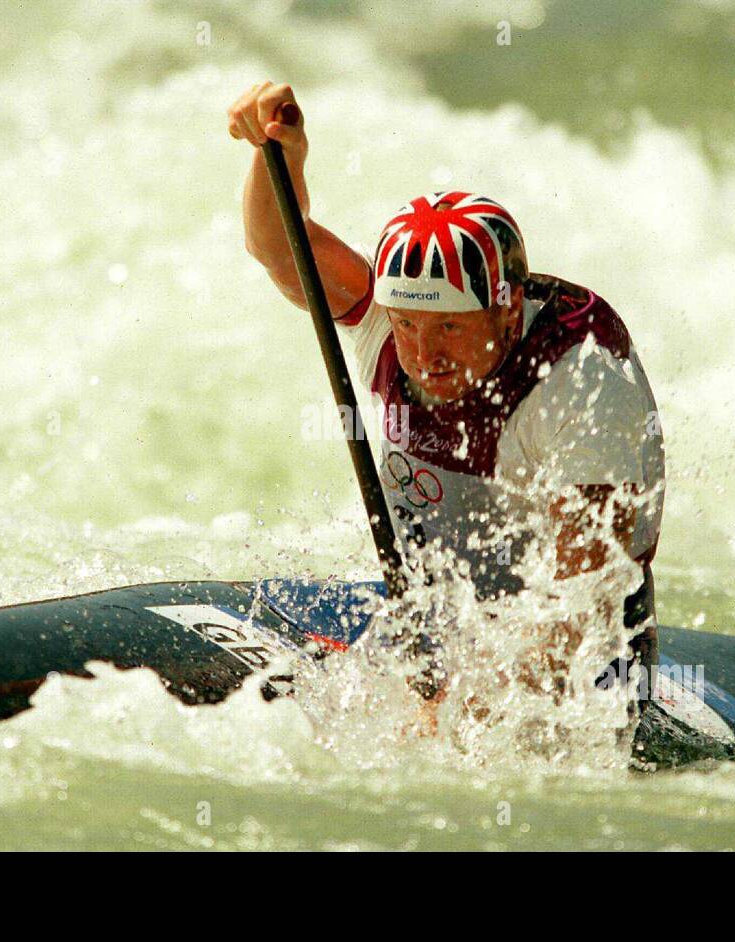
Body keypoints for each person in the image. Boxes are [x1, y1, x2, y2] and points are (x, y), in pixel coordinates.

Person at [229, 81, 665, 708]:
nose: (422, 353)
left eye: (450, 328)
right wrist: (279, 152)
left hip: (589, 662)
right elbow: (278, 246)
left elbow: (582, 610)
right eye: (406, 324)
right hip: (431, 617)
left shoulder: (583, 380)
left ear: (507, 309)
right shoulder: (390, 320)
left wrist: (457, 706)